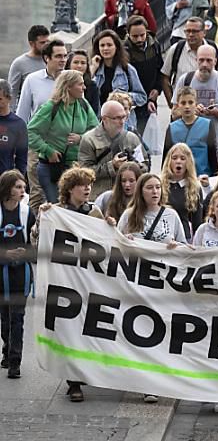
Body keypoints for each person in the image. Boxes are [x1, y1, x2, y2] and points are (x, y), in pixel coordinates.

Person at [36, 167, 102, 402]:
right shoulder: (56, 212)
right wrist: (42, 219)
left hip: (89, 282)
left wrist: (111, 227)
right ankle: (74, 382)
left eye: (89, 184)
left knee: (86, 330)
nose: (87, 189)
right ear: (69, 189)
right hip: (65, 280)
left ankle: (83, 373)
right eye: (82, 185)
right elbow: (37, 237)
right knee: (69, 330)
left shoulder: (94, 212)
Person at [27, 70, 98, 204]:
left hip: (76, 167)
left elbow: (96, 131)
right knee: (57, 206)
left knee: (75, 208)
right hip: (52, 166)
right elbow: (30, 132)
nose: (84, 88)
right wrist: (48, 150)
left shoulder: (83, 105)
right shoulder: (51, 107)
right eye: (80, 84)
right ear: (68, 86)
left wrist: (81, 139)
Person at [0, 170, 32, 379]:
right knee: (4, 317)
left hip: (21, 272)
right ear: (7, 189)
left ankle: (15, 361)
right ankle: (6, 347)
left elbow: (34, 243)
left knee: (18, 317)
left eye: (24, 187)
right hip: (1, 273)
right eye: (18, 187)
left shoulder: (27, 212)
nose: (23, 191)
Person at [77, 100, 146, 196]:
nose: (122, 122)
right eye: (117, 118)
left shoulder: (132, 138)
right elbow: (84, 173)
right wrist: (112, 166)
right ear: (104, 119)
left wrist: (133, 165)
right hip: (99, 195)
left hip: (127, 197)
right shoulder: (89, 139)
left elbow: (145, 167)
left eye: (124, 117)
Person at [117, 172, 188, 244]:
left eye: (158, 187)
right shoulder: (129, 214)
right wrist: (125, 240)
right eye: (149, 188)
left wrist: (175, 245)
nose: (155, 191)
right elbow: (116, 241)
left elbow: (183, 245)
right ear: (141, 191)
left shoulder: (171, 214)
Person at [7, 25, 50, 107]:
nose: (46, 45)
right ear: (31, 43)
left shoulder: (51, 60)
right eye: (42, 42)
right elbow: (12, 93)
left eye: (47, 42)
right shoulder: (19, 63)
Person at [0, 81, 28, 176]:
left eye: (0, 99)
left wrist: (18, 178)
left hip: (5, 179)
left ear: (9, 98)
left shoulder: (18, 124)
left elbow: (22, 157)